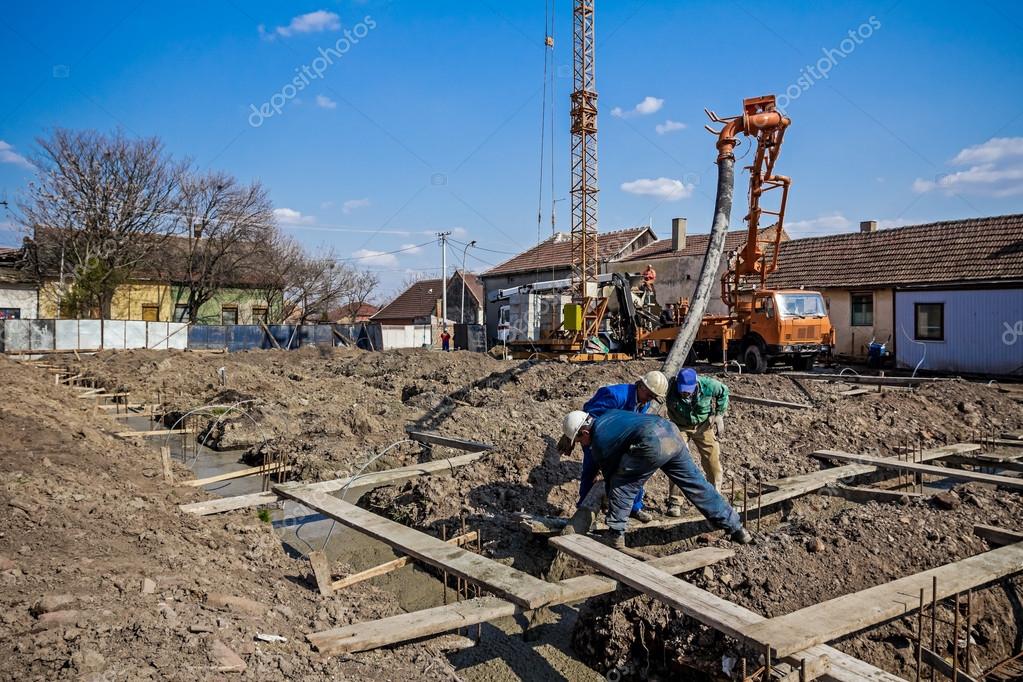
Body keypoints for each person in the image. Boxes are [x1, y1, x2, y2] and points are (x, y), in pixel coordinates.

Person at [561, 409, 751, 548]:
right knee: (697, 484)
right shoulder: (608, 416)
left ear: (584, 433)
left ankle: (615, 536)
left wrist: (609, 498)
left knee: (622, 485)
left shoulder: (600, 441)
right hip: (671, 432)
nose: (580, 445)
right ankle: (736, 528)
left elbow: (613, 478)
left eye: (578, 441)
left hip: (652, 441)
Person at [570, 371, 668, 525]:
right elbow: (589, 414)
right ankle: (584, 510)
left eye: (653, 397)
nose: (650, 400)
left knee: (634, 472)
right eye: (649, 395)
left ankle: (634, 508)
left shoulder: (644, 401)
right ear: (641, 386)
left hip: (620, 442)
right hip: (595, 439)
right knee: (590, 471)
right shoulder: (614, 395)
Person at [664, 368, 729, 517]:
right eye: (682, 390)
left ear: (696, 384)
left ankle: (715, 498)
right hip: (679, 426)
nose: (684, 393)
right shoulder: (670, 386)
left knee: (712, 460)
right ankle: (675, 502)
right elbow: (655, 398)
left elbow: (724, 392)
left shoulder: (708, 385)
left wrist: (719, 414)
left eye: (688, 390)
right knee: (677, 462)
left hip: (703, 426)